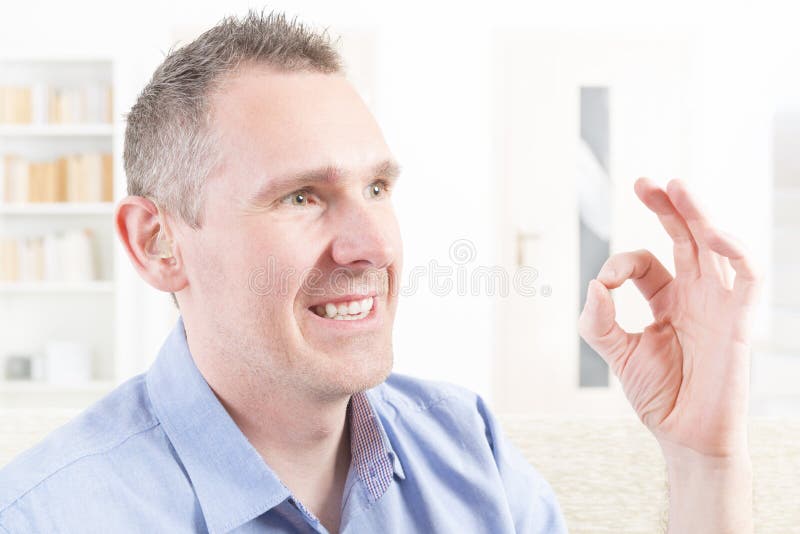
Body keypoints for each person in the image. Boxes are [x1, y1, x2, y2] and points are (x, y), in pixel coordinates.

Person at [0, 10, 760, 534]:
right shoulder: (48, 514)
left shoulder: (469, 450)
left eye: (377, 188)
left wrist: (704, 460)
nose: (371, 243)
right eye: (303, 196)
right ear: (158, 245)